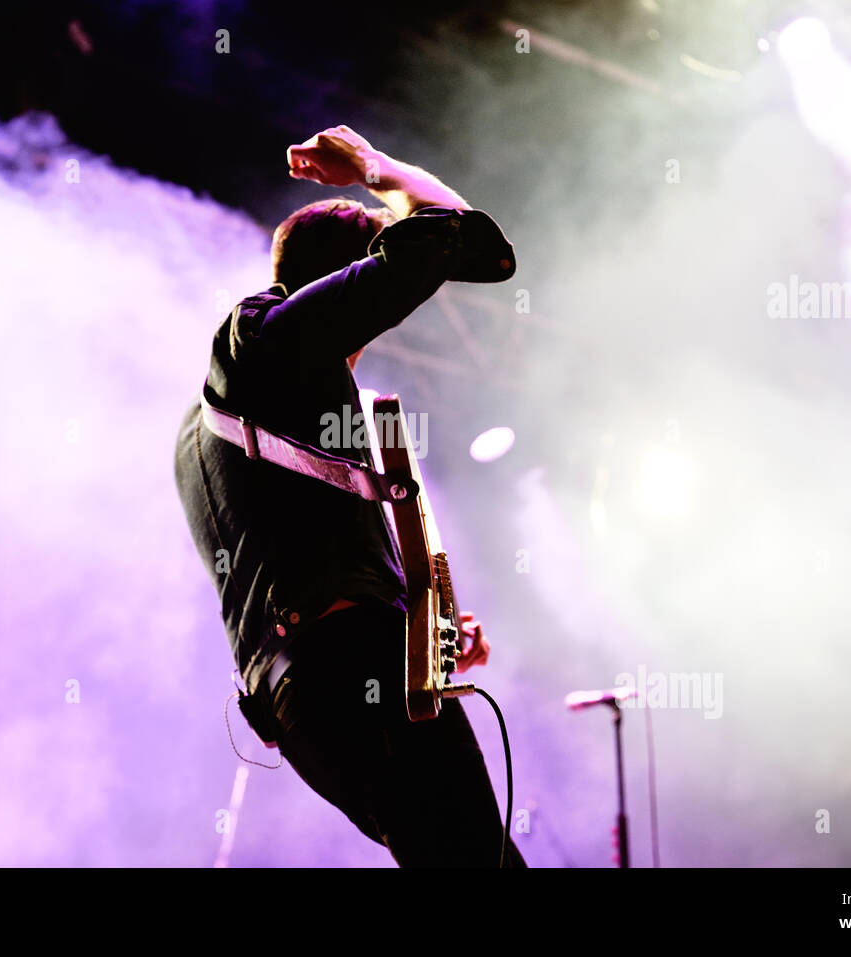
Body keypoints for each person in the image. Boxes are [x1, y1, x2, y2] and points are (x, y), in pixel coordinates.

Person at [174, 125, 524, 866]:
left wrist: (426, 627)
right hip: (347, 666)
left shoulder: (249, 404)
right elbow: (451, 242)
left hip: (311, 692)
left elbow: (299, 552)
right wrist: (377, 168)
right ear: (350, 281)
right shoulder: (257, 339)